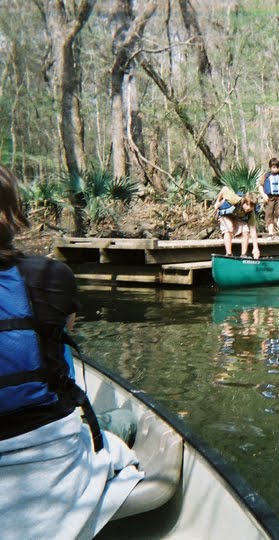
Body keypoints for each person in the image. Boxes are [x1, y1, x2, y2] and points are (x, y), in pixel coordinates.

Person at [0, 165, 143, 538]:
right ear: (12, 215)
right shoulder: (52, 276)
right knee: (123, 424)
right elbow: (62, 340)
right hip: (53, 459)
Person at [214, 187, 260, 258]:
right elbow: (224, 189)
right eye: (247, 204)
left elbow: (253, 230)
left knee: (246, 230)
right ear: (243, 201)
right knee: (229, 227)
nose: (248, 208)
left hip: (236, 217)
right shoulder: (235, 199)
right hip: (225, 215)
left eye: (251, 206)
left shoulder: (251, 213)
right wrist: (217, 201)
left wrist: (255, 248)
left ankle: (243, 255)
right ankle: (229, 254)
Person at [258, 157, 279, 239]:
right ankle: (271, 233)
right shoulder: (266, 176)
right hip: (269, 198)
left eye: (277, 167)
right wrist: (264, 195)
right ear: (270, 167)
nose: (275, 169)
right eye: (274, 167)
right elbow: (260, 187)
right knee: (269, 215)